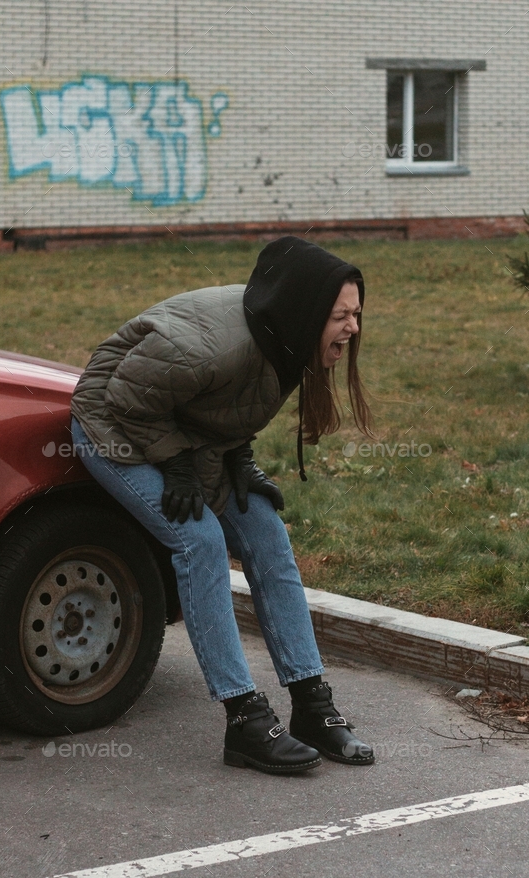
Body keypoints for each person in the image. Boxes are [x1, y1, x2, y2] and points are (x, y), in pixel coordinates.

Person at [70, 235, 374, 775]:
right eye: (340, 316)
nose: (352, 327)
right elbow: (125, 397)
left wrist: (239, 457)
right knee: (200, 540)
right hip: (113, 425)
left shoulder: (288, 337)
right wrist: (175, 464)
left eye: (356, 314)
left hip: (186, 433)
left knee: (267, 532)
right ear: (308, 313)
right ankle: (244, 719)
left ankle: (310, 703)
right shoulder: (212, 347)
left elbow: (233, 401)